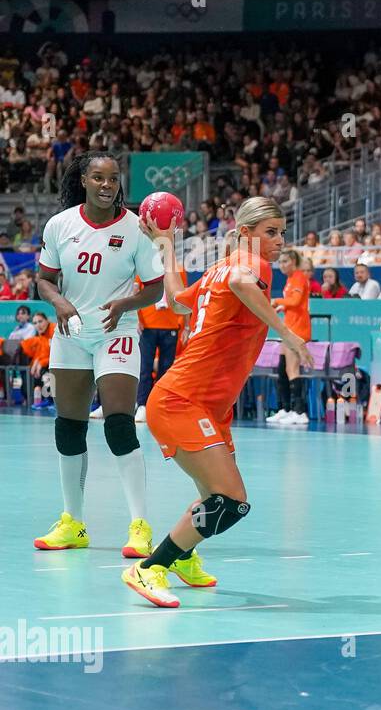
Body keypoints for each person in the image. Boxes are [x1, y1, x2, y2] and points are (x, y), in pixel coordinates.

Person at [122, 196, 312, 606]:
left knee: (217, 497)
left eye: (282, 232)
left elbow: (174, 301)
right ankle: (150, 567)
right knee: (230, 502)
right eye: (270, 232)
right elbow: (244, 283)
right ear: (245, 233)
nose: (279, 241)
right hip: (182, 400)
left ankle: (183, 556)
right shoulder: (250, 265)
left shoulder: (215, 270)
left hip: (205, 406)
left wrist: (167, 245)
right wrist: (289, 336)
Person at [31, 151, 164, 558]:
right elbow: (44, 280)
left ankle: (140, 525)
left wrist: (125, 305)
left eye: (113, 179)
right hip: (71, 332)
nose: (107, 185)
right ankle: (72, 522)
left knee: (119, 424)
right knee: (68, 428)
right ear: (84, 181)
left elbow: (155, 288)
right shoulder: (61, 225)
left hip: (115, 332)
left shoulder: (135, 228)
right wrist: (59, 303)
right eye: (99, 178)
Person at [268, 248, 312, 426]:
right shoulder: (290, 280)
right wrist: (282, 308)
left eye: (285, 262)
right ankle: (285, 409)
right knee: (283, 369)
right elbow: (293, 304)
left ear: (293, 262)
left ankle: (300, 412)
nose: (282, 265)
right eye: (280, 262)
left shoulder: (300, 277)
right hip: (289, 327)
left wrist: (277, 301)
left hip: (298, 329)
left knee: (292, 370)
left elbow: (295, 302)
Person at [134, 274, 184, 424]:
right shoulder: (143, 268)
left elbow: (183, 297)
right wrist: (136, 319)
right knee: (145, 367)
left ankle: (162, 405)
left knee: (166, 369)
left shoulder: (178, 270)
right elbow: (135, 293)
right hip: (148, 324)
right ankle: (142, 404)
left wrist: (186, 325)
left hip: (170, 324)